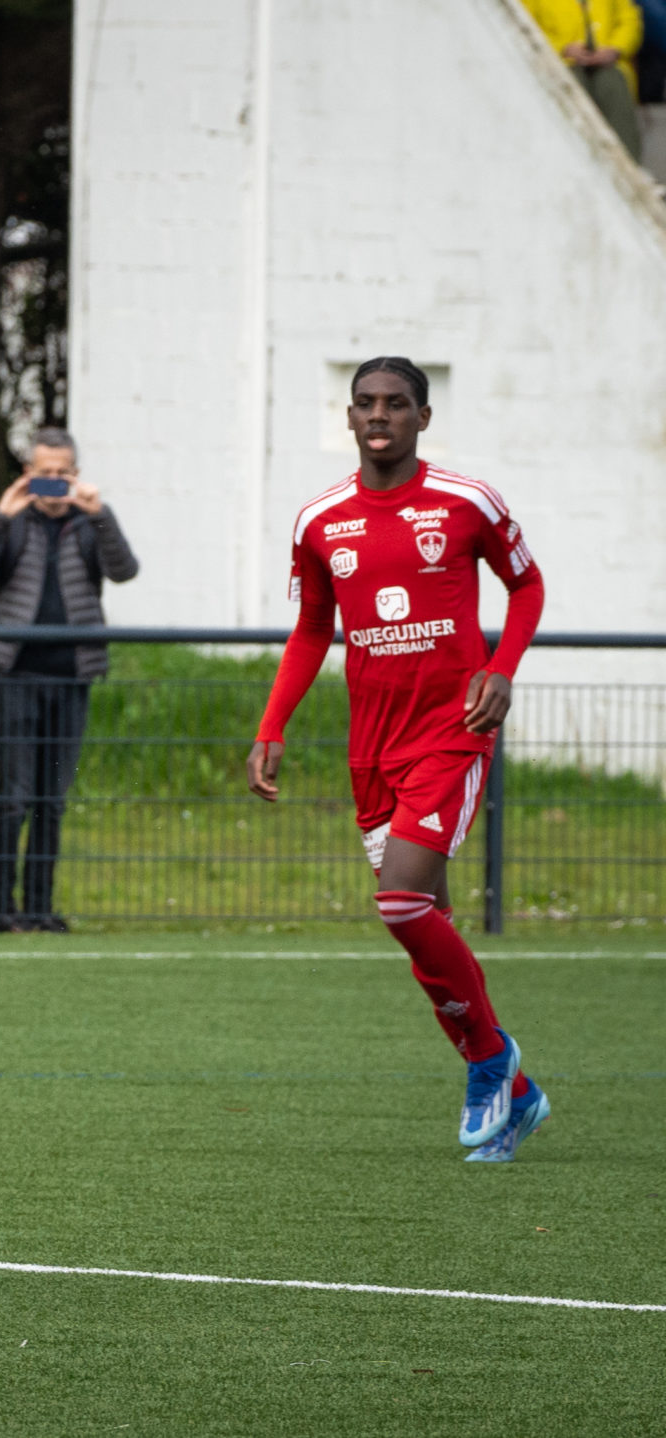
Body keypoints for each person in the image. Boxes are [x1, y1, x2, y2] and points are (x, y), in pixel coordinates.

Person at [247, 358, 551, 1163]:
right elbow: (315, 629)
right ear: (350, 419)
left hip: (452, 730)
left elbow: (527, 587)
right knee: (425, 928)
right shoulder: (321, 521)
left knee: (401, 901)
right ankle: (513, 1093)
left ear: (422, 417)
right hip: (371, 746)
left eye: (396, 404)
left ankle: (490, 1059)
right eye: (366, 403)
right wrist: (273, 723)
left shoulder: (466, 502)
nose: (379, 415)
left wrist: (501, 670)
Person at [0, 428, 139, 933]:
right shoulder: (12, 523)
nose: (54, 483)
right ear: (29, 474)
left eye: (63, 473)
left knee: (52, 801)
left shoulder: (89, 523)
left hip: (72, 679)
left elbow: (125, 571)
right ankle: (0, 910)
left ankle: (39, 908)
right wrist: (1, 512)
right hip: (16, 677)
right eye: (44, 473)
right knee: (13, 797)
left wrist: (101, 514)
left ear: (75, 475)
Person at [515, 0, 647, 155]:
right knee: (572, 87)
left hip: (608, 62)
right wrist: (562, 49)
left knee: (612, 84)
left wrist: (615, 48)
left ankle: (630, 171)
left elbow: (630, 19)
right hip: (559, 63)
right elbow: (521, 28)